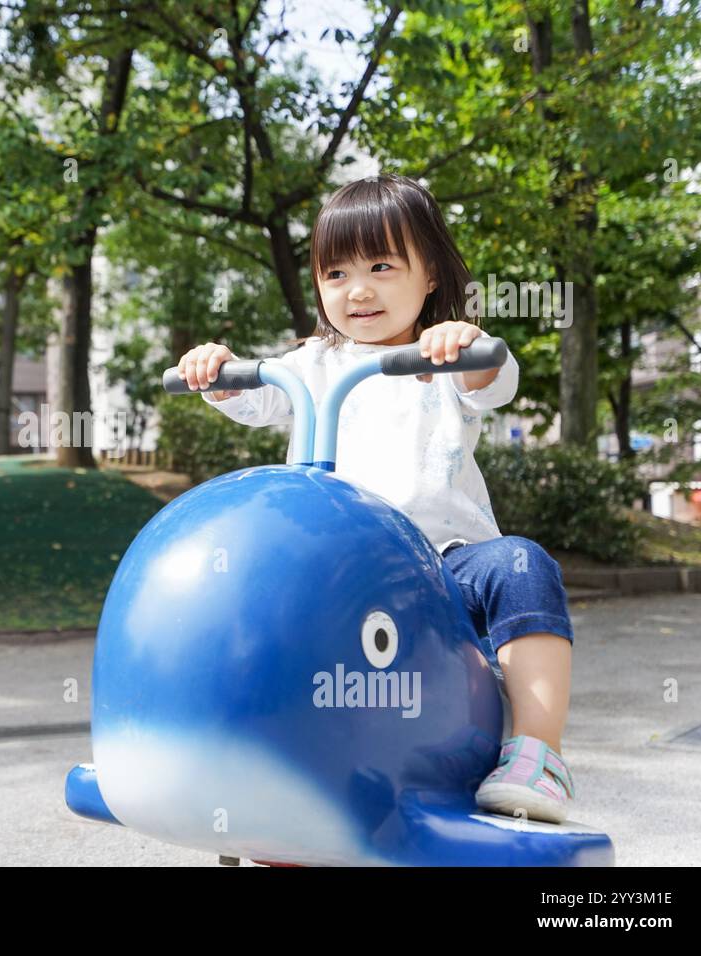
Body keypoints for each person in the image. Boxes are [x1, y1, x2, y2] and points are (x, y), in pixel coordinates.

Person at [178, 174, 576, 824]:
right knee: (243, 581)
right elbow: (255, 398)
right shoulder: (311, 361)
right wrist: (215, 371)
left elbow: (494, 379)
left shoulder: (443, 352)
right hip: (337, 565)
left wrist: (463, 346)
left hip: (442, 565)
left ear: (429, 278)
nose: (357, 289)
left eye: (382, 266)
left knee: (521, 566)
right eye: (335, 273)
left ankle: (538, 752)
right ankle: (222, 742)